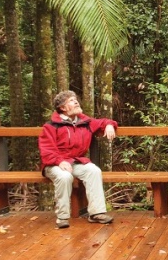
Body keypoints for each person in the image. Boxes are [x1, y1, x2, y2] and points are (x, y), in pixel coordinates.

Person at [38, 90, 118, 228]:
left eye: (75, 99)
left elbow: (103, 122)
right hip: (54, 163)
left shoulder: (84, 122)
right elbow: (46, 149)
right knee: (64, 177)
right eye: (71, 100)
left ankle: (96, 213)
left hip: (76, 162)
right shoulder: (51, 125)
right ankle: (62, 217)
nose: (76, 102)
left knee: (93, 171)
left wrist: (110, 125)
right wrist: (59, 161)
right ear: (62, 108)